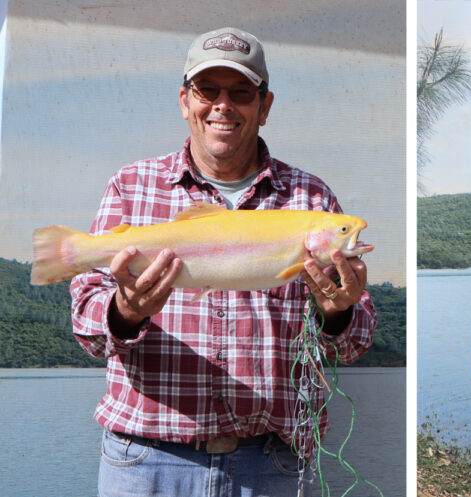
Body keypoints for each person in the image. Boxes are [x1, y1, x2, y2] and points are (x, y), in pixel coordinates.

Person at [70, 27, 376, 497]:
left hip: (272, 464)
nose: (222, 105)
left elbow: (352, 347)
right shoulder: (130, 186)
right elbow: (87, 329)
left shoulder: (313, 198)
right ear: (184, 100)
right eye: (207, 91)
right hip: (145, 461)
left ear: (265, 106)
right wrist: (125, 312)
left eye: (240, 93)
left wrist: (339, 312)